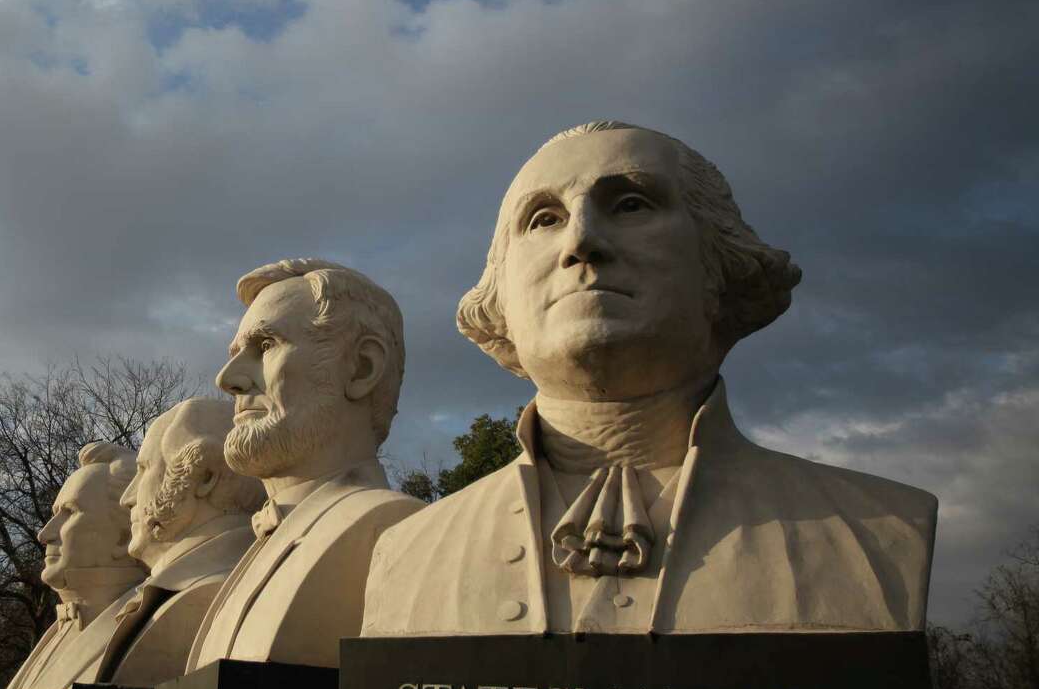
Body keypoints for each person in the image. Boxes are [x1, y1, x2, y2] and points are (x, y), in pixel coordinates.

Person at [362, 121, 937, 637]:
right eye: (544, 220)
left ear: (719, 265)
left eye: (632, 205)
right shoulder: (407, 553)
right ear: (501, 296)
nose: (580, 242)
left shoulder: (881, 531)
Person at [187, 259, 424, 670]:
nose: (227, 379)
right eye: (236, 353)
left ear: (362, 368)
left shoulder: (392, 531)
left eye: (266, 345)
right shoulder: (265, 538)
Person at [83, 398, 264, 685]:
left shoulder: (216, 589)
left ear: (204, 477)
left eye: (143, 469)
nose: (127, 498)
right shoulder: (169, 592)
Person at [2, 442, 145, 689]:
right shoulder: (55, 634)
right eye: (55, 513)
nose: (44, 534)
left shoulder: (147, 629)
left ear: (124, 537)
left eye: (70, 512)